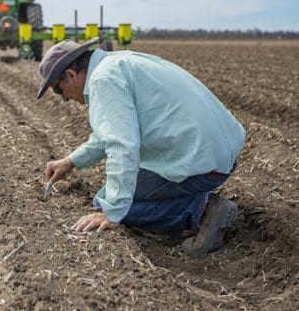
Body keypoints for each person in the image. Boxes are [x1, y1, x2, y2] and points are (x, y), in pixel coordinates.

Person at [37, 38, 245, 256]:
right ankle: (192, 202)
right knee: (118, 195)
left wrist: (113, 212)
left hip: (199, 163)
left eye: (59, 90)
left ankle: (199, 211)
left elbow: (122, 145)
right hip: (220, 154)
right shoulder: (118, 62)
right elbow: (108, 134)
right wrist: (70, 162)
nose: (64, 100)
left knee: (104, 202)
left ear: (71, 75)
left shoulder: (102, 79)